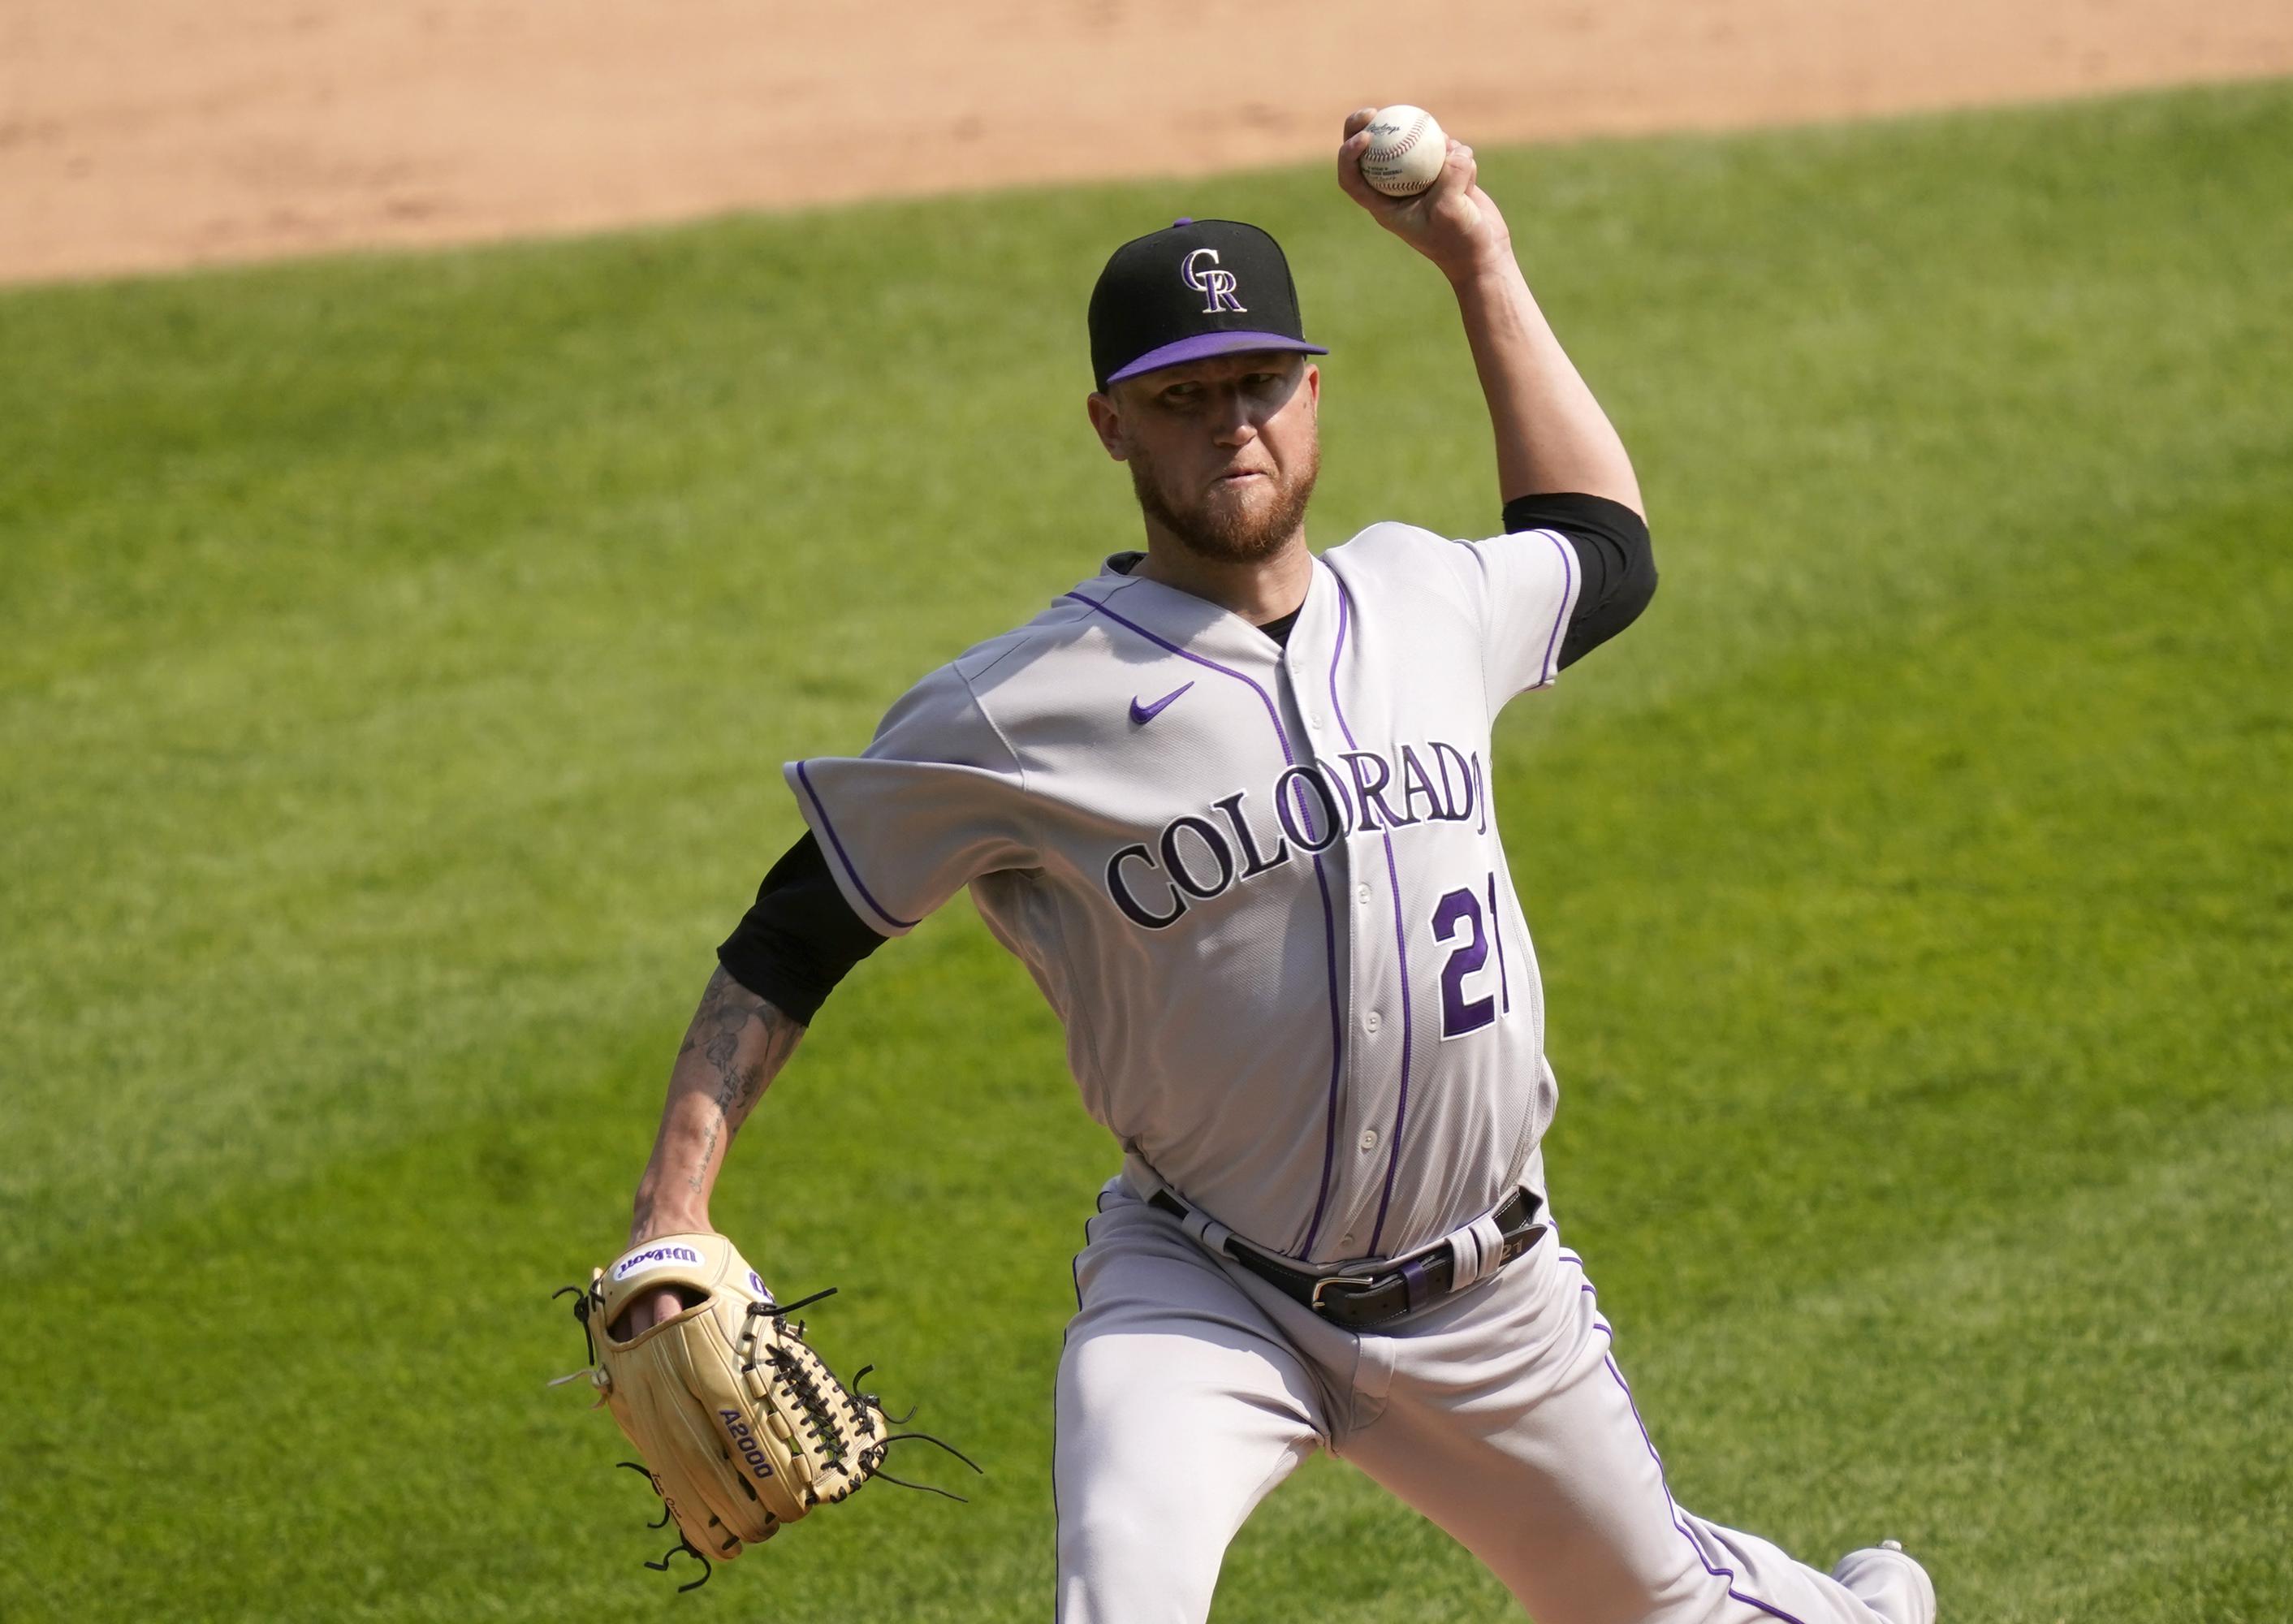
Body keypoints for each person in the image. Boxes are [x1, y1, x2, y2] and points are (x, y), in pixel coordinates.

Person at [609, 108, 1935, 1624]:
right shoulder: (1015, 708)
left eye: (1259, 384)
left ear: (1312, 394)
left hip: (1489, 1300)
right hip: (1206, 1292)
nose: (1231, 423)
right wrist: (670, 1212)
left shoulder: (1428, 597)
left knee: (1665, 1614)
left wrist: (1476, 259)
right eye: (1182, 398)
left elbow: (1603, 547)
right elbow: (792, 936)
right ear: (1111, 426)